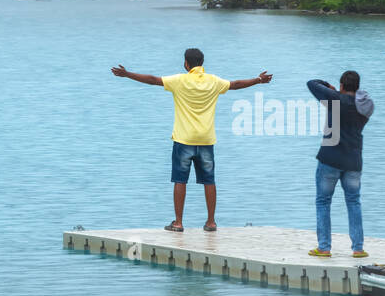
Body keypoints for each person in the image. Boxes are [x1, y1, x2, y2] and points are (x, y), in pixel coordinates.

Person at [112, 48, 271, 232]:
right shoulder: (214, 81)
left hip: (184, 139)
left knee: (180, 180)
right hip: (206, 139)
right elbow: (235, 84)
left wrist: (127, 74)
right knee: (209, 181)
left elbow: (153, 80)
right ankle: (211, 222)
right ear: (202, 63)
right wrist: (258, 80)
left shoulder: (180, 80)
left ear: (186, 64)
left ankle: (178, 223)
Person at [306, 70, 374, 258]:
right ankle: (358, 248)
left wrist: (329, 86)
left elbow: (311, 83)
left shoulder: (334, 99)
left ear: (342, 85)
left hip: (330, 158)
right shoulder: (366, 106)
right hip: (354, 161)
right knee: (354, 202)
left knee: (323, 202)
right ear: (357, 87)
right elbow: (357, 98)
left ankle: (324, 247)